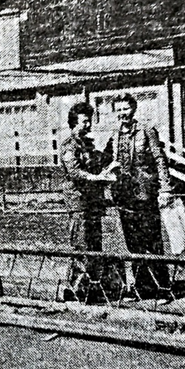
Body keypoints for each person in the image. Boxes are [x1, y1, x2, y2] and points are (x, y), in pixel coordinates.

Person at [102, 93, 173, 299]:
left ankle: (161, 289)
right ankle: (142, 289)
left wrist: (165, 189)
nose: (123, 113)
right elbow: (108, 161)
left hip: (146, 196)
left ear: (133, 109)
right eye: (119, 110)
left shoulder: (147, 131)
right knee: (133, 245)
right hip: (125, 198)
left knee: (152, 243)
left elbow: (160, 160)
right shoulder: (114, 136)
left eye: (126, 108)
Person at [59, 102, 118, 303]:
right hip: (78, 204)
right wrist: (97, 178)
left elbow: (98, 162)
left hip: (92, 203)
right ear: (74, 124)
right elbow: (74, 172)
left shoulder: (87, 144)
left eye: (89, 120)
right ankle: (75, 291)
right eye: (84, 121)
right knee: (81, 246)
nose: (88, 125)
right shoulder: (69, 145)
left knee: (94, 246)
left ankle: (92, 288)